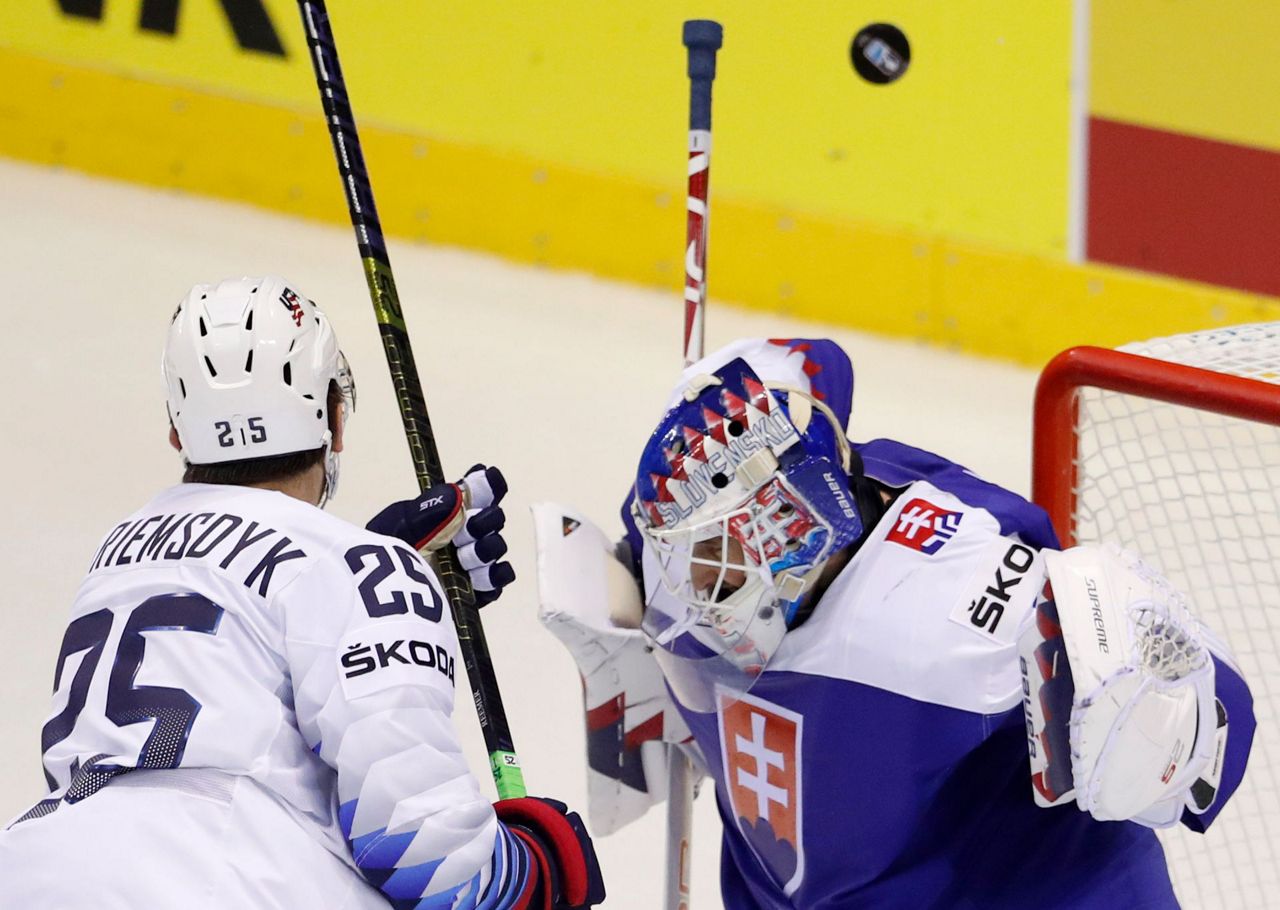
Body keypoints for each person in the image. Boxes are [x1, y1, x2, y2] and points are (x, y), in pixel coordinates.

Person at [535, 337, 1254, 909]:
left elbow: (1216, 715)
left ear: (790, 533)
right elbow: (785, 372)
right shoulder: (734, 532)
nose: (681, 595)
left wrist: (1146, 724)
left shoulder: (963, 615)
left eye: (711, 563)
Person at [0, 276, 604, 910]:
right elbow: (430, 859)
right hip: (219, 882)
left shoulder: (119, 556)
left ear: (178, 430)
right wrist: (540, 865)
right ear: (335, 418)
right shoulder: (355, 570)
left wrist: (367, 572)